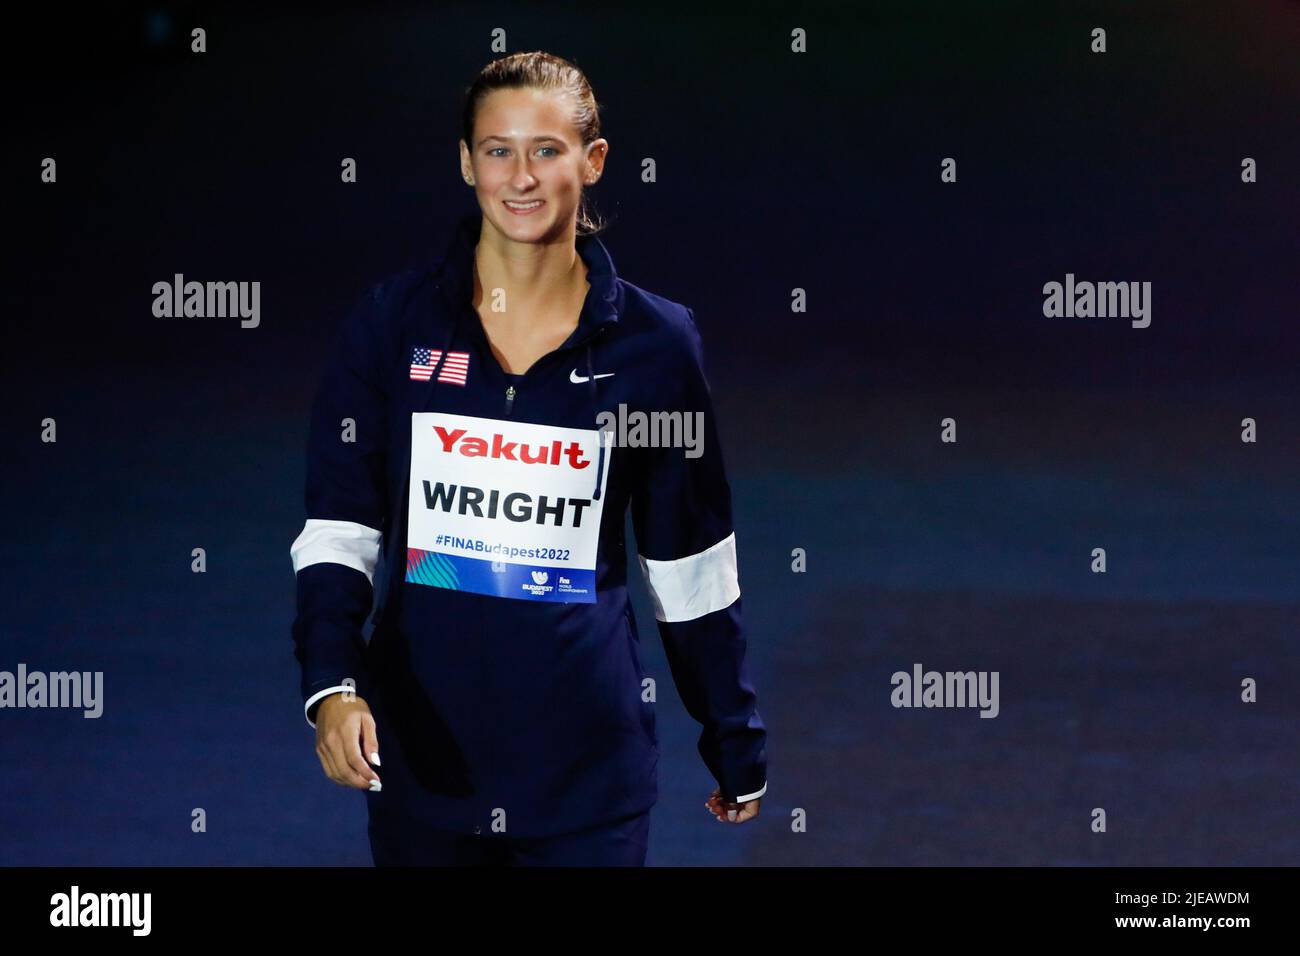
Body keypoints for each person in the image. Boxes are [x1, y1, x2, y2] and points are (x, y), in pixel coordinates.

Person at [289, 50, 767, 866]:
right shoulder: (393, 324)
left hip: (587, 782)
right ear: (466, 162)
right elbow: (341, 528)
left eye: (547, 149)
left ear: (594, 160)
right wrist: (332, 688)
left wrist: (733, 737)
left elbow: (687, 560)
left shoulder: (655, 346)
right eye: (498, 150)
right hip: (423, 771)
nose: (521, 176)